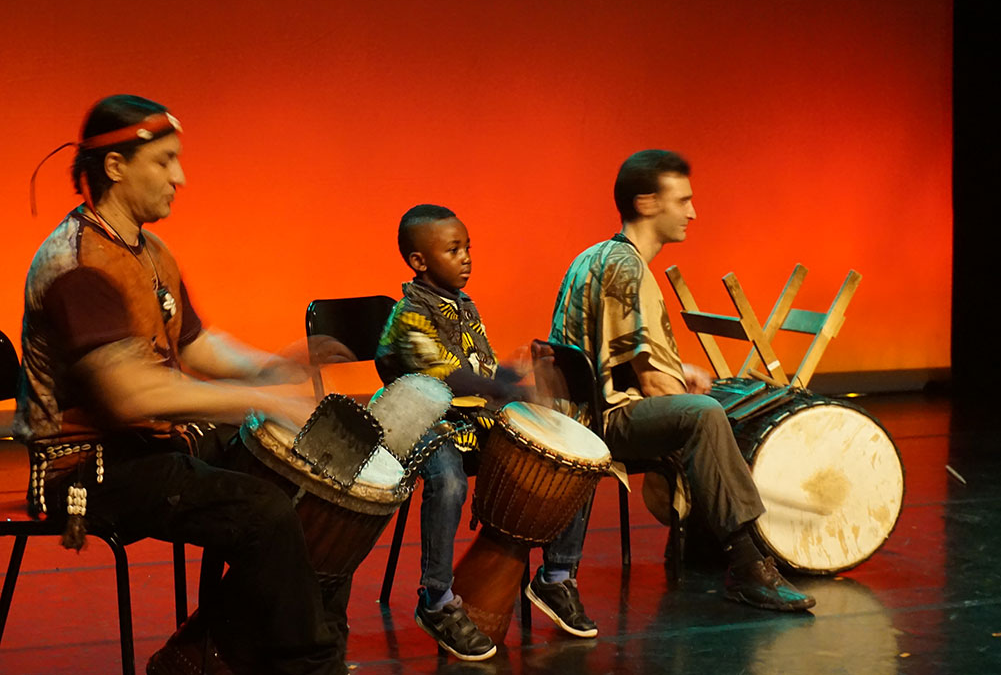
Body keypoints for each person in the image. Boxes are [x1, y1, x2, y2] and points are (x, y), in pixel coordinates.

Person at [15, 94, 353, 674]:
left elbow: (197, 345)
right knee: (265, 513)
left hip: (151, 450)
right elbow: (132, 395)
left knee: (311, 486)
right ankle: (306, 663)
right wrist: (256, 398)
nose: (182, 177)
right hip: (90, 470)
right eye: (166, 161)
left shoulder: (149, 251)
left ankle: (202, 654)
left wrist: (271, 366)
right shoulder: (78, 265)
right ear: (116, 167)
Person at [548, 149, 815, 612]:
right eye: (683, 200)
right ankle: (749, 563)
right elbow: (651, 386)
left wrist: (680, 373)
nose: (693, 212)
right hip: (598, 422)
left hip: (586, 410)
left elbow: (626, 357)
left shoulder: (597, 256)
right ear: (648, 203)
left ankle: (704, 544)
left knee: (701, 409)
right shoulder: (626, 268)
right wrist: (685, 396)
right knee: (708, 414)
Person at [375, 204, 596, 660]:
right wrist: (504, 384)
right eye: (453, 250)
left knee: (572, 463)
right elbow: (445, 376)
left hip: (471, 423)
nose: (466, 258)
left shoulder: (464, 306)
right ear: (419, 262)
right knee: (449, 481)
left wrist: (520, 381)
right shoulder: (410, 314)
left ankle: (556, 577)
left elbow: (483, 369)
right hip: (422, 422)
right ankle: (436, 598)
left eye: (468, 248)